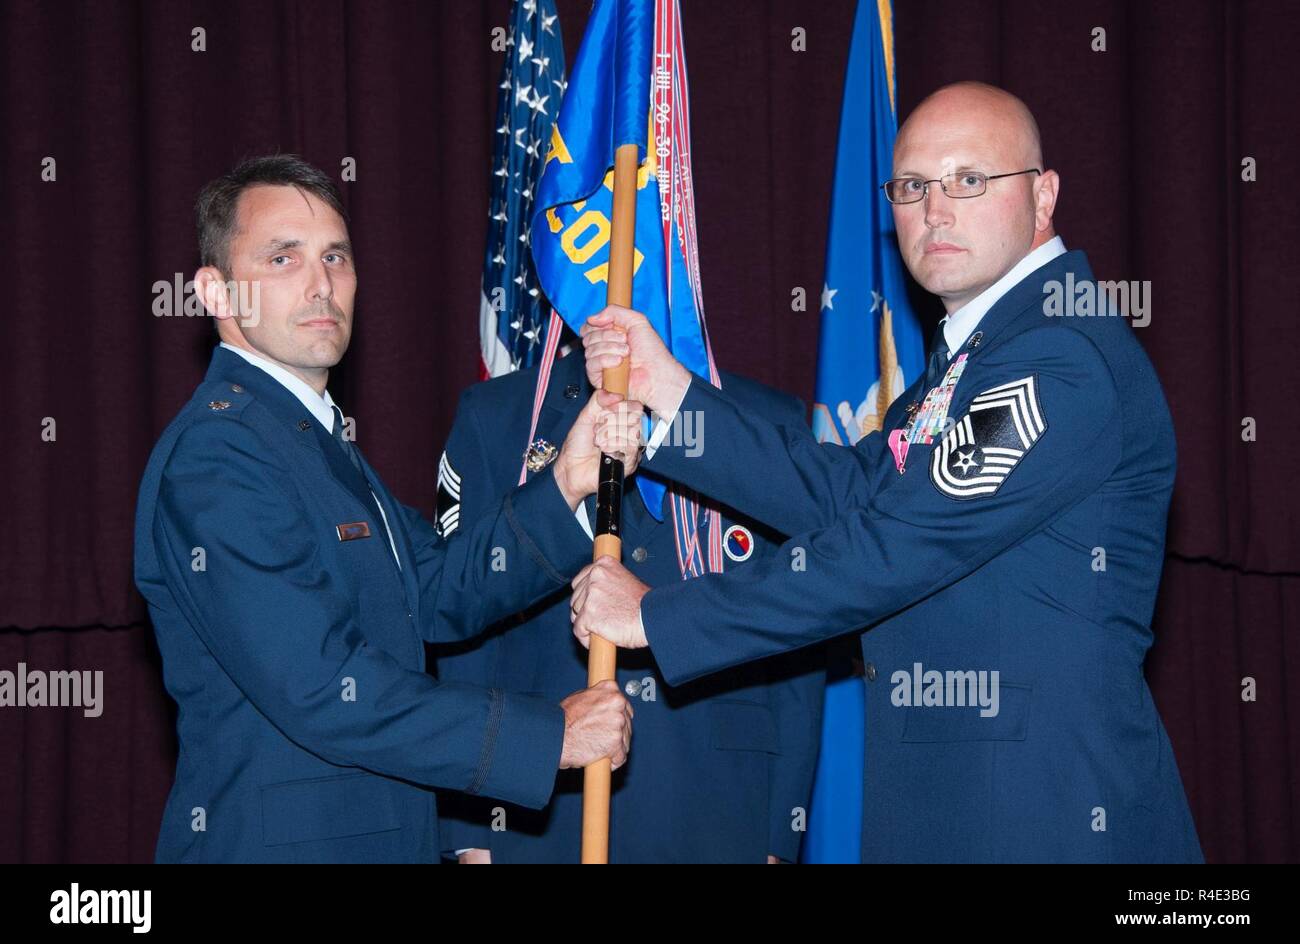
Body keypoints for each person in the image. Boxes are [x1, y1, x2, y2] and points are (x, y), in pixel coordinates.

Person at [570, 82, 1203, 863]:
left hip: (1042, 815)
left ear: (1044, 197)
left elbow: (891, 546)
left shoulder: (1058, 358)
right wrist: (672, 394)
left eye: (970, 180)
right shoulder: (975, 358)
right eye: (912, 186)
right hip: (959, 806)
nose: (936, 210)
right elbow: (846, 491)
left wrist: (659, 617)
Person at [134, 154, 640, 862]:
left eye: (336, 257)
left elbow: (434, 588)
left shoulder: (308, 436)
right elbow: (319, 684)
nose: (321, 283)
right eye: (283, 258)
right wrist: (547, 736)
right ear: (217, 294)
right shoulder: (219, 452)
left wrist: (567, 482)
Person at [434, 348, 826, 863]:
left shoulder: (762, 420)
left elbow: (800, 642)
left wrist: (778, 836)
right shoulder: (500, 417)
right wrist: (470, 836)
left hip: (722, 807)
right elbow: (464, 627)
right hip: (538, 812)